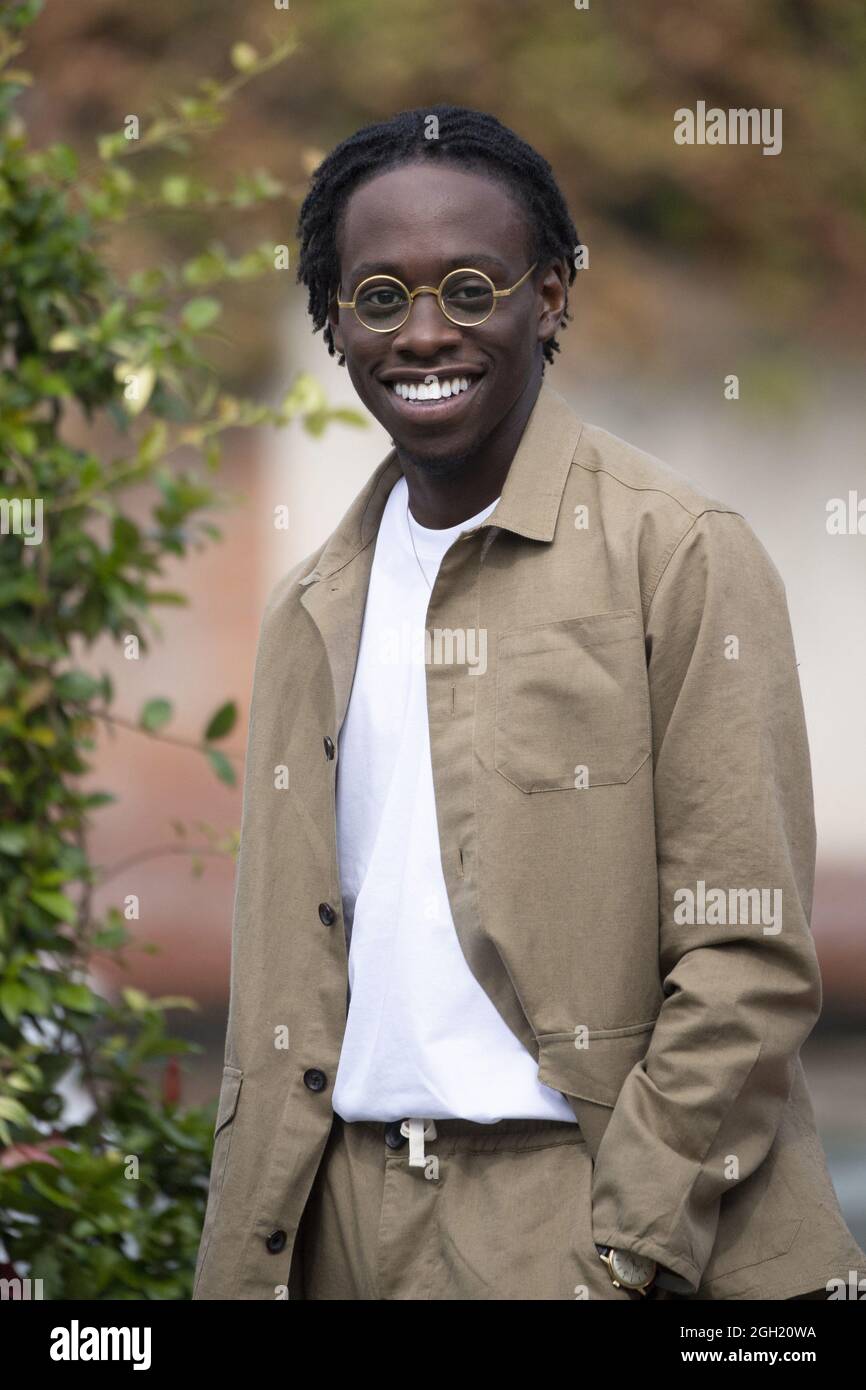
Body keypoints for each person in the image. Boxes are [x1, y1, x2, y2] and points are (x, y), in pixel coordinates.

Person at [192, 105, 865, 1301]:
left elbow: (746, 954)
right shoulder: (310, 606)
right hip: (338, 1225)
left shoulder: (677, 551)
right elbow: (277, 994)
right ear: (331, 323)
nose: (425, 333)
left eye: (468, 286)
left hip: (580, 1209)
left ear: (547, 297)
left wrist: (622, 1249)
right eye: (378, 298)